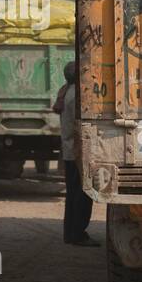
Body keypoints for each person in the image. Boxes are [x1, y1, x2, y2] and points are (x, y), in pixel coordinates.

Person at [53, 61, 97, 246]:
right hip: (78, 153)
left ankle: (70, 233)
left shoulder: (66, 92)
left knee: (73, 195)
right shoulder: (77, 96)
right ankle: (78, 233)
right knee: (83, 195)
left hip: (70, 152)